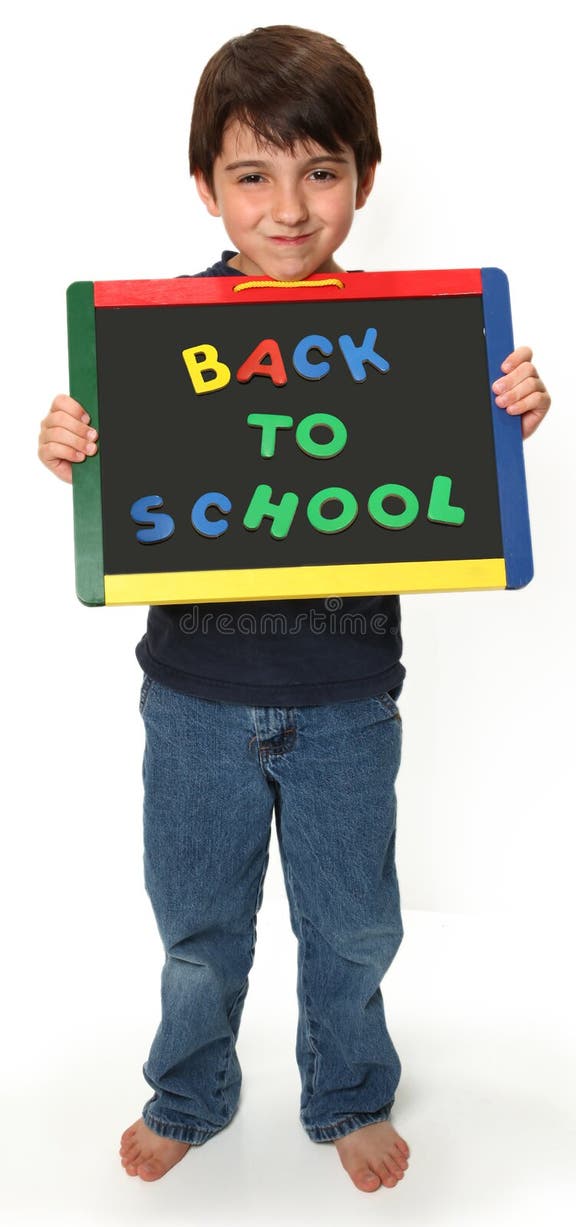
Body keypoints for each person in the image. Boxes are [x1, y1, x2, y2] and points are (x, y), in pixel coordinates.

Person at [37, 25, 551, 1194]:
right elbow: (124, 471)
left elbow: (459, 468)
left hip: (349, 699)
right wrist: (74, 445)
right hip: (195, 700)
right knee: (197, 931)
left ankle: (349, 1091)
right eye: (252, 175)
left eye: (321, 172)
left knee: (356, 924)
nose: (288, 207)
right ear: (207, 188)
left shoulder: (412, 343)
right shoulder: (155, 336)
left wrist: (506, 413)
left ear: (365, 181)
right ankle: (189, 1088)